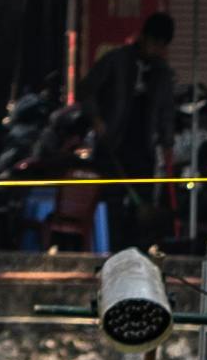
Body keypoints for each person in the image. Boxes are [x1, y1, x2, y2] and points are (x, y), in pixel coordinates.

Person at [76, 12, 182, 238]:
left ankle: (137, 252)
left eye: (161, 46)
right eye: (154, 43)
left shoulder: (162, 73)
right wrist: (96, 119)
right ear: (143, 37)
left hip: (143, 147)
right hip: (112, 142)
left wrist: (167, 143)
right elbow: (86, 90)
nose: (156, 50)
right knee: (109, 199)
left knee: (142, 202)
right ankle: (108, 246)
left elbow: (166, 111)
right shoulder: (116, 60)